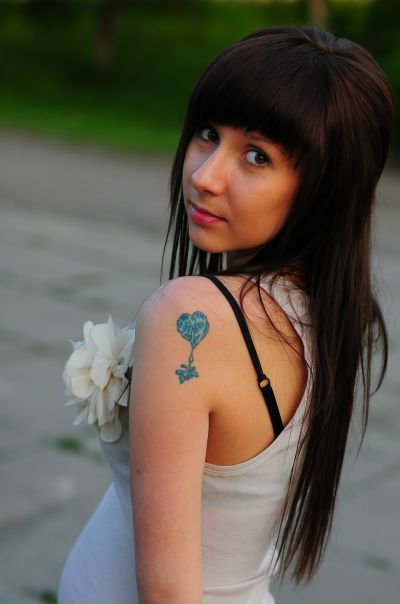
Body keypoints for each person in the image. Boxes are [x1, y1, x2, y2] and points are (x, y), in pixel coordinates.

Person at [58, 25, 394, 604]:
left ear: (325, 189)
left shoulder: (192, 317)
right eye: (208, 134)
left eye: (257, 156)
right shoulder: (329, 313)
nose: (204, 175)